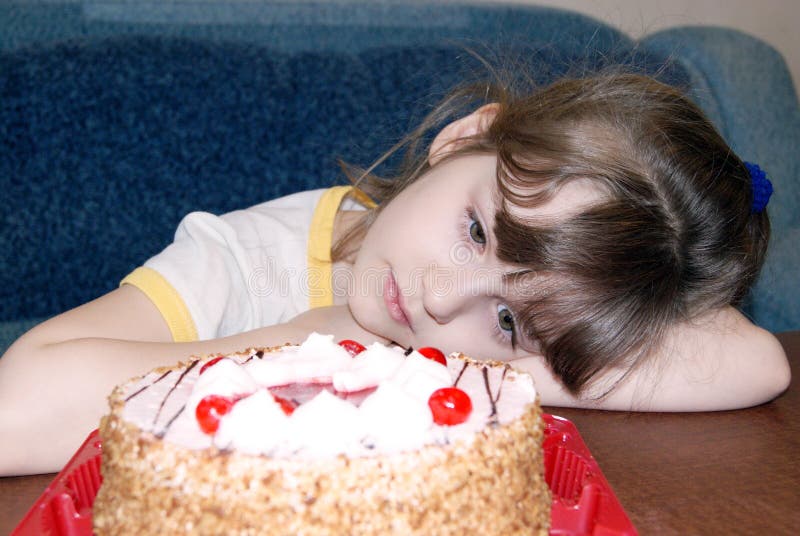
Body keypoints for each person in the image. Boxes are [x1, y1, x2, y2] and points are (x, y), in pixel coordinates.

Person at [0, 73, 790, 475]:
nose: (440, 301)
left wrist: (529, 363)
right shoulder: (243, 261)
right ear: (461, 140)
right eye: (477, 231)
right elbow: (14, 414)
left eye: (512, 319)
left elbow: (753, 361)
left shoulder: (480, 349)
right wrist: (302, 342)